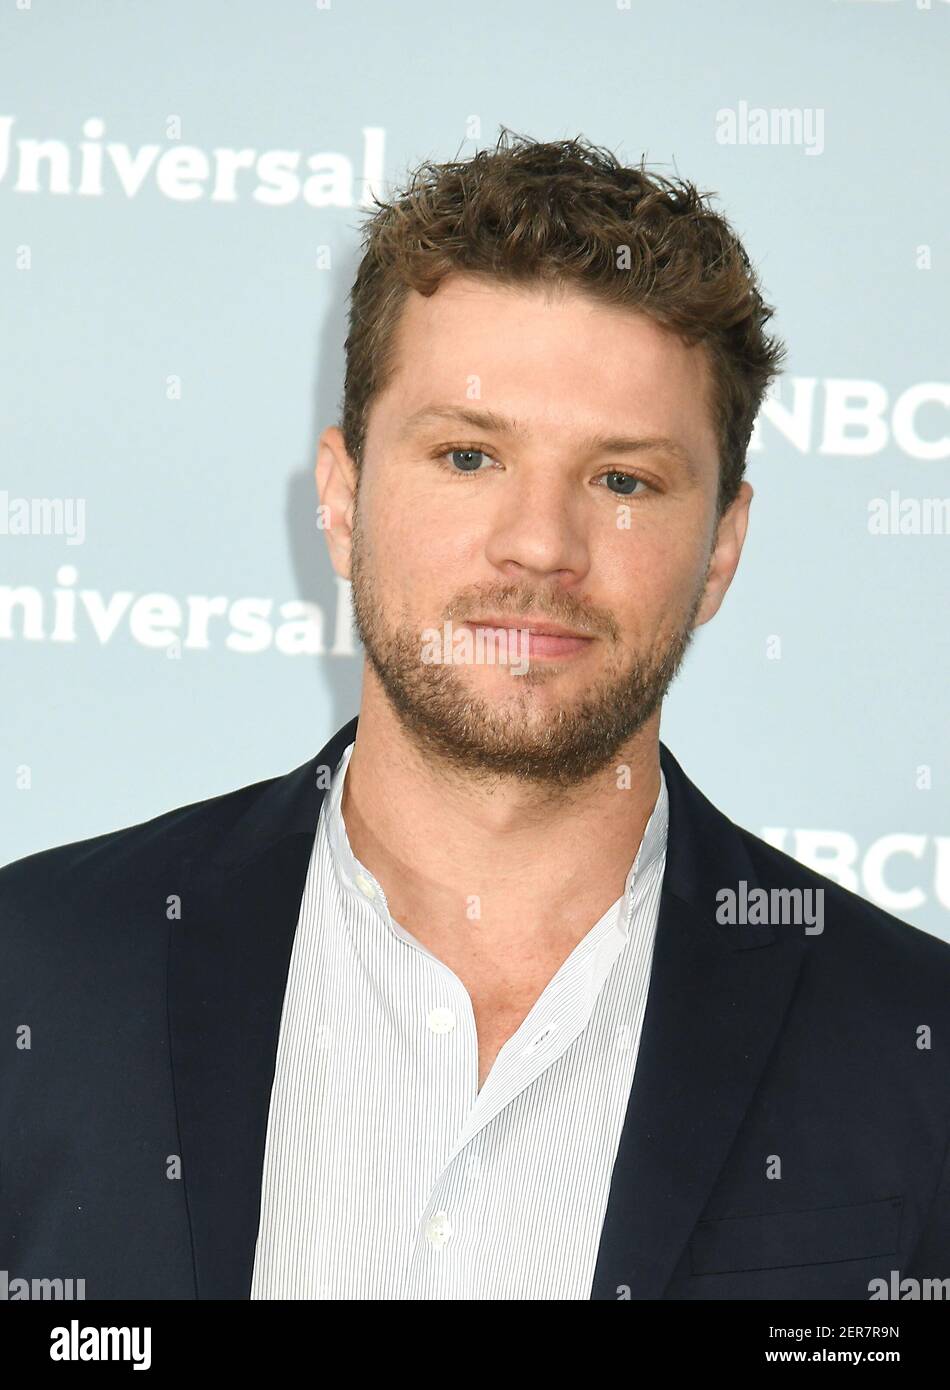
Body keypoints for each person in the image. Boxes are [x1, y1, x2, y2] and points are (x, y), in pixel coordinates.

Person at [2, 131, 948, 1302]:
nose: (539, 546)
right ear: (342, 500)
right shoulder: (33, 975)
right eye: (465, 455)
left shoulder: (914, 1054)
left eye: (623, 481)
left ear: (721, 549)